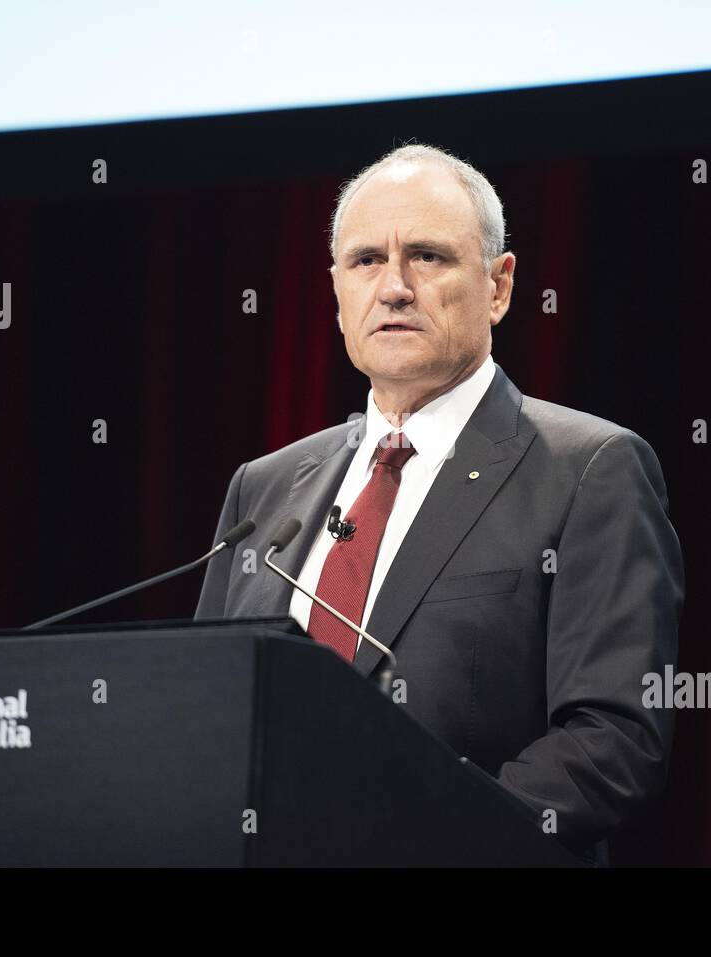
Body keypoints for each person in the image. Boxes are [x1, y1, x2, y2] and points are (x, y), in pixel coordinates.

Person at [196, 143, 684, 863]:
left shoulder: (590, 470)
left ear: (499, 285)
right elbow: (205, 715)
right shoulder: (265, 489)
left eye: (426, 256)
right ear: (336, 292)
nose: (392, 286)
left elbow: (612, 742)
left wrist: (412, 834)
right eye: (365, 261)